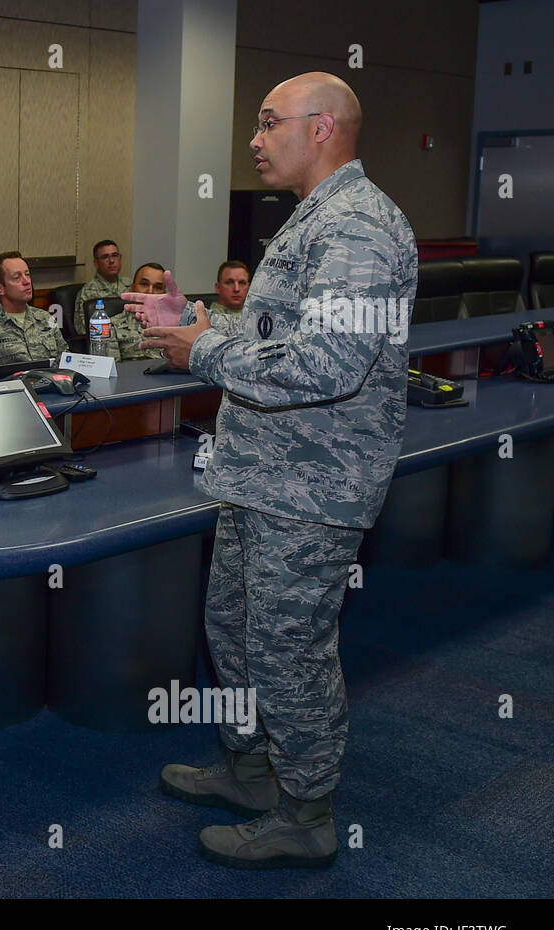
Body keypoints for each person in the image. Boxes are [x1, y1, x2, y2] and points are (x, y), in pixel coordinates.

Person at [126, 72, 417, 868]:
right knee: (236, 632)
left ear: (322, 128)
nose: (252, 140)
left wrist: (205, 350)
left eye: (267, 123)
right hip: (261, 474)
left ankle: (305, 809)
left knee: (290, 648)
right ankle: (251, 771)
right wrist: (196, 321)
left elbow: (328, 363)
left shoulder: (357, 226)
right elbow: (277, 331)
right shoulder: (311, 221)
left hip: (312, 486)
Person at [106, 262, 167, 362]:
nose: (150, 292)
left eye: (158, 287)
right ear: (132, 288)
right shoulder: (113, 325)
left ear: (164, 294)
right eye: (144, 284)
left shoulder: (174, 324)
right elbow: (111, 370)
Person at [73, 240, 124, 336]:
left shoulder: (131, 286)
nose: (111, 261)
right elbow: (82, 328)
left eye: (115, 255)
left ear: (120, 258)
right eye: (105, 257)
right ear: (96, 263)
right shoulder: (88, 292)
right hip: (107, 342)